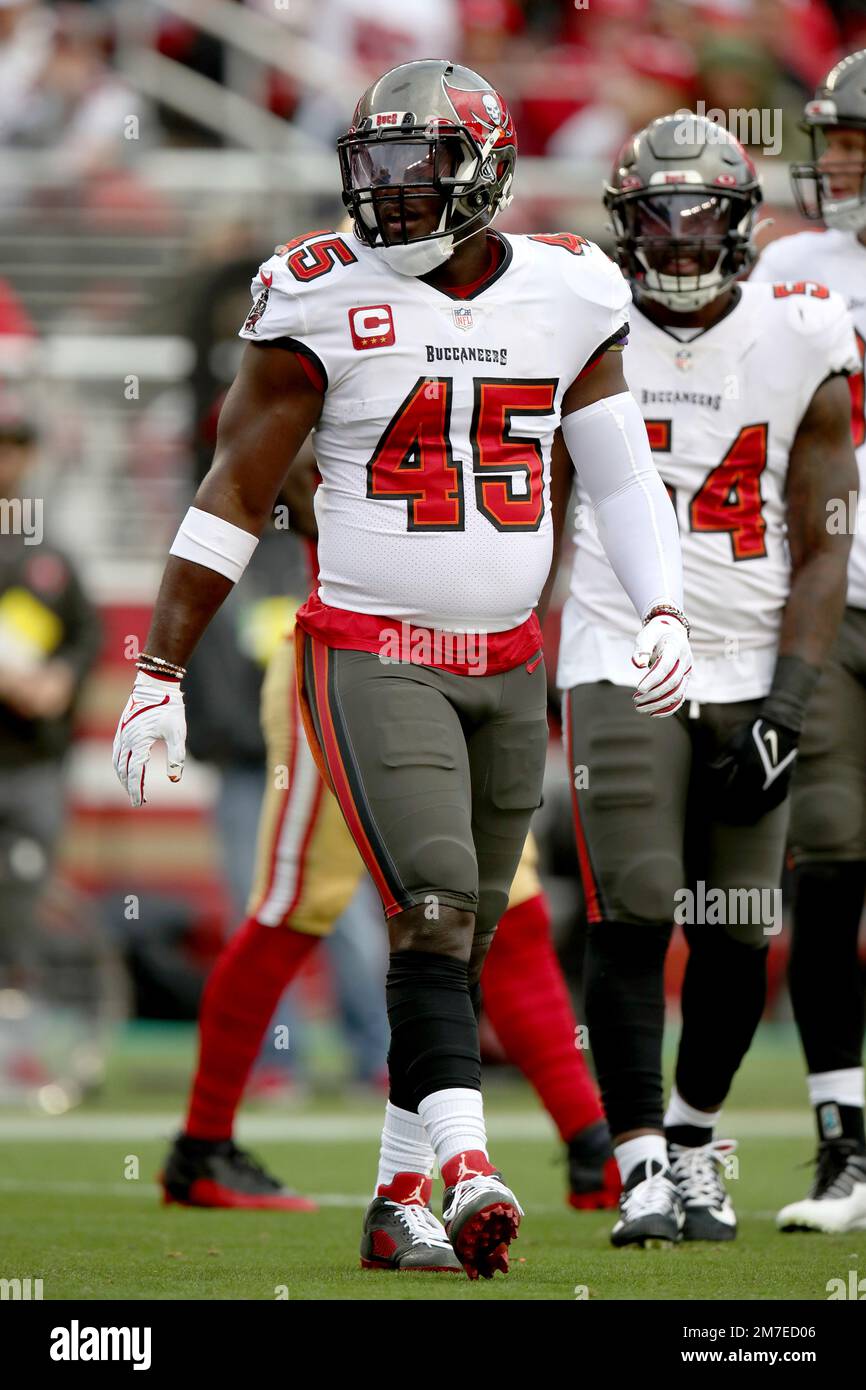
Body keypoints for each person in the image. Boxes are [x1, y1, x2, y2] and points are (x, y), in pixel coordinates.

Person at [113, 59, 690, 1279]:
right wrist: (157, 666)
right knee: (425, 905)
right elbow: (234, 493)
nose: (392, 199)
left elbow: (622, 470)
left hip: (506, 661)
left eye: (419, 173)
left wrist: (662, 607)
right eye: (373, 171)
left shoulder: (569, 289)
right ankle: (474, 1165)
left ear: (484, 175)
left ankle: (397, 1195)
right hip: (369, 648)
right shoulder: (314, 293)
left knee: (475, 929)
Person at [160, 458, 622, 1223]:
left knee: (508, 915)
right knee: (293, 910)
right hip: (358, 661)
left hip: (476, 663)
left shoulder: (498, 347)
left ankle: (589, 1142)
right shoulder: (349, 349)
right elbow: (284, 469)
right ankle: (202, 1144)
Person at [557, 113, 858, 1247]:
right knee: (633, 901)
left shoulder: (801, 326)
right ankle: (635, 1164)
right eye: (656, 222)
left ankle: (690, 1146)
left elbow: (823, 535)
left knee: (737, 927)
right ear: (622, 229)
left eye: (701, 222)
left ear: (741, 231)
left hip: (749, 658)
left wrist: (786, 703)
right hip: (618, 647)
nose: (679, 246)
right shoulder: (582, 321)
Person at [751, 50, 866, 1234]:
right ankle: (844, 1145)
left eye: (852, 144)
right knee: (826, 868)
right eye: (828, 141)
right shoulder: (788, 265)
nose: (830, 163)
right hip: (824, 602)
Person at [0, 400, 100, 981]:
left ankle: (18, 1029)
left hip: (37, 760)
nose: (7, 460)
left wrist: (60, 677)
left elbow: (86, 635)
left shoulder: (50, 552)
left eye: (16, 446)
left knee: (27, 895)